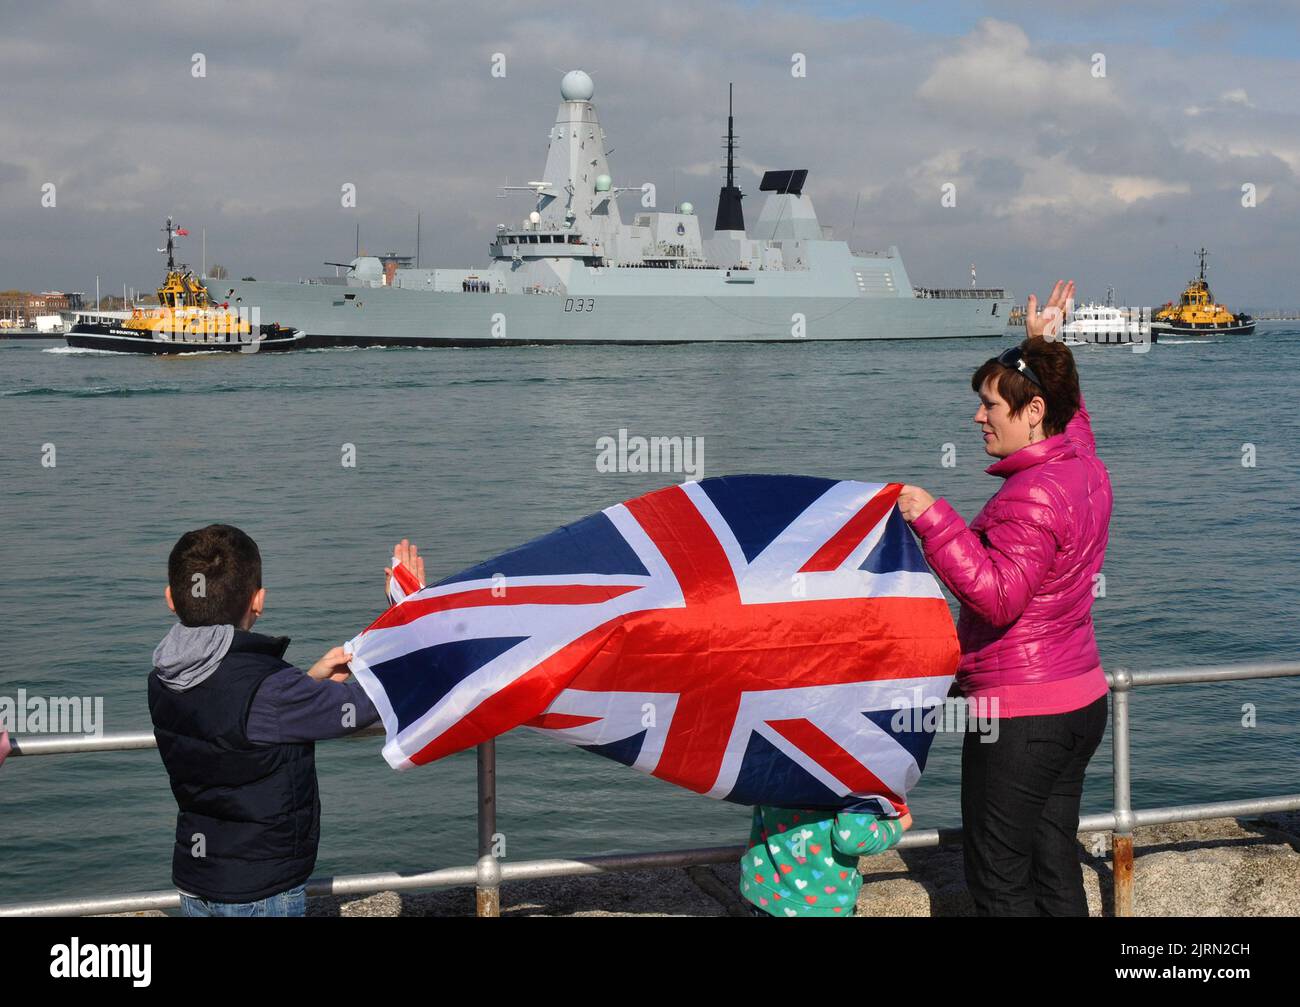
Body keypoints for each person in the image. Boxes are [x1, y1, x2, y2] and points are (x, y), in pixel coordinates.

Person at [896, 280, 1112, 916]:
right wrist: (1042, 345)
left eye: (991, 405)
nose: (978, 416)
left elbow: (996, 599)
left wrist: (933, 518)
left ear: (1033, 412)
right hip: (1080, 700)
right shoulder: (1084, 467)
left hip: (1019, 716)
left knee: (998, 877)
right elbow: (1077, 417)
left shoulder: (1030, 495)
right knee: (1053, 864)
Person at [149, 526, 424, 917]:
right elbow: (369, 704)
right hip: (261, 890)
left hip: (196, 882)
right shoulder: (271, 691)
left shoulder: (163, 673)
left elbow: (230, 717)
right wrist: (409, 616)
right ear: (258, 601)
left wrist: (307, 682)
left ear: (171, 599)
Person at [740, 804, 912, 916]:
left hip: (764, 891)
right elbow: (853, 840)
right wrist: (895, 826)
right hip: (821, 902)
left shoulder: (779, 756)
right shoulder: (852, 771)